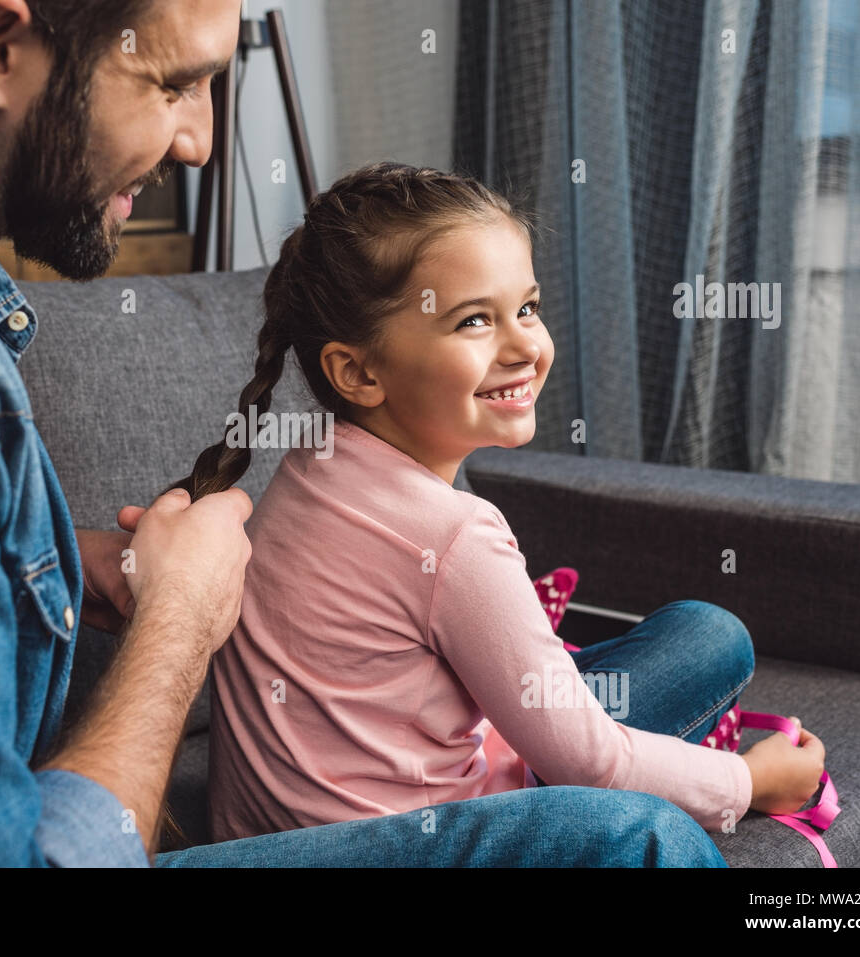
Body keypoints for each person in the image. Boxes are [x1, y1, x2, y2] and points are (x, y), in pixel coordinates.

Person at [0, 0, 726, 867]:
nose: (200, 144)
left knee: (688, 646)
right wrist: (180, 623)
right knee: (638, 839)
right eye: (174, 82)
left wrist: (55, 572)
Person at [172, 163, 826, 848]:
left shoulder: (306, 467)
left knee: (707, 633)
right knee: (702, 648)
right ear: (360, 372)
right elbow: (587, 761)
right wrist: (749, 780)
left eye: (528, 308)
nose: (524, 347)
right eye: (474, 320)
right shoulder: (456, 534)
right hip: (429, 838)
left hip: (282, 839)